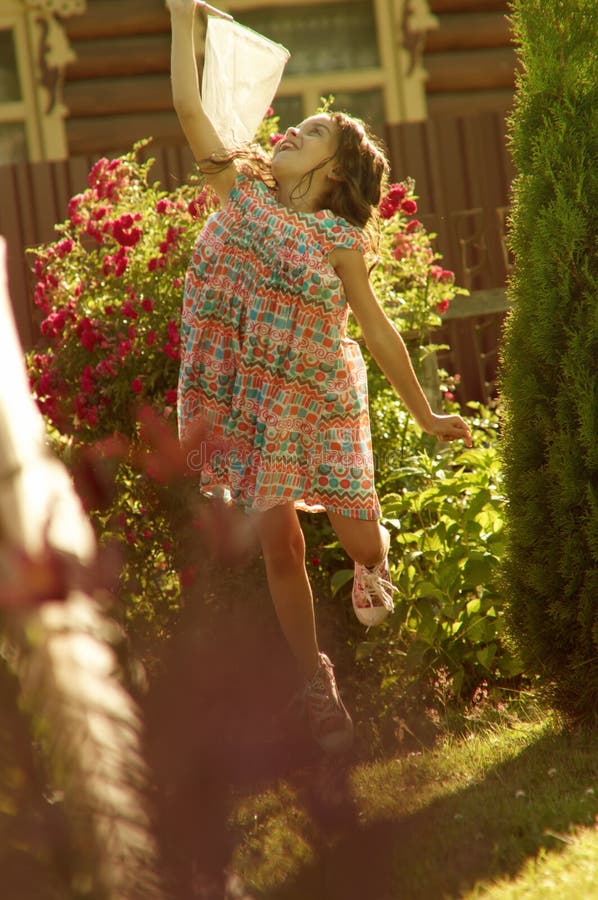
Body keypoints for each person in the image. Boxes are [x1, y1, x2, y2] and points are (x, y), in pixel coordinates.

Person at [167, 0, 472, 753]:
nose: (289, 132)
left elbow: (377, 328)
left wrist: (427, 414)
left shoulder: (338, 239)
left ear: (332, 170)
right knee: (283, 549)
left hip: (326, 402)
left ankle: (375, 562)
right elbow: (190, 111)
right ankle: (317, 687)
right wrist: (180, 19)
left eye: (310, 134)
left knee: (359, 540)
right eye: (295, 127)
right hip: (261, 406)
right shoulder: (243, 201)